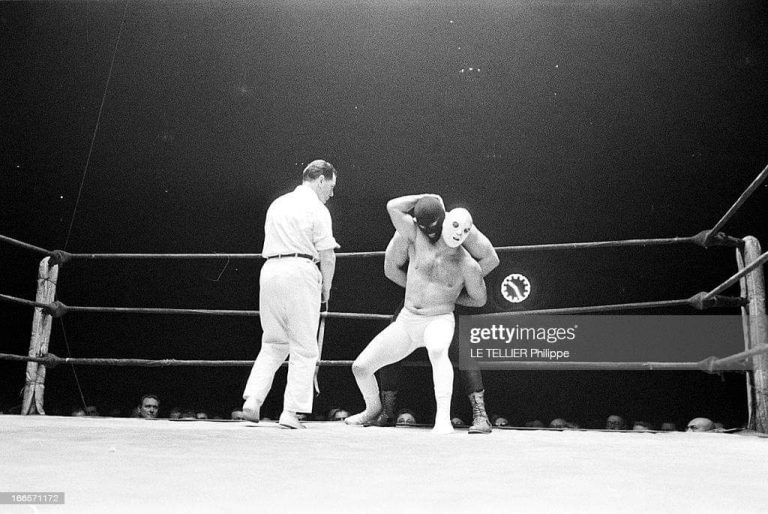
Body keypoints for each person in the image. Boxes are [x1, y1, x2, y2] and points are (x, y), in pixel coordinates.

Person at [346, 194, 487, 434]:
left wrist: (450, 297)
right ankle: (372, 409)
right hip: (408, 319)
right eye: (454, 226)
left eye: (464, 231)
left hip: (439, 319)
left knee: (438, 350)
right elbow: (392, 207)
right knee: (360, 367)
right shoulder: (415, 236)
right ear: (445, 220)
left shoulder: (468, 264)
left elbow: (480, 298)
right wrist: (428, 198)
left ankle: (442, 419)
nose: (458, 233)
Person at [242, 160, 339, 429]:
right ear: (320, 180)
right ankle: (291, 413)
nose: (331, 193)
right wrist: (326, 288)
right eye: (330, 186)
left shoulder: (278, 203)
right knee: (305, 348)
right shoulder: (317, 209)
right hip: (300, 271)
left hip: (270, 270)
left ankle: (252, 399)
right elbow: (328, 256)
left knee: (273, 342)